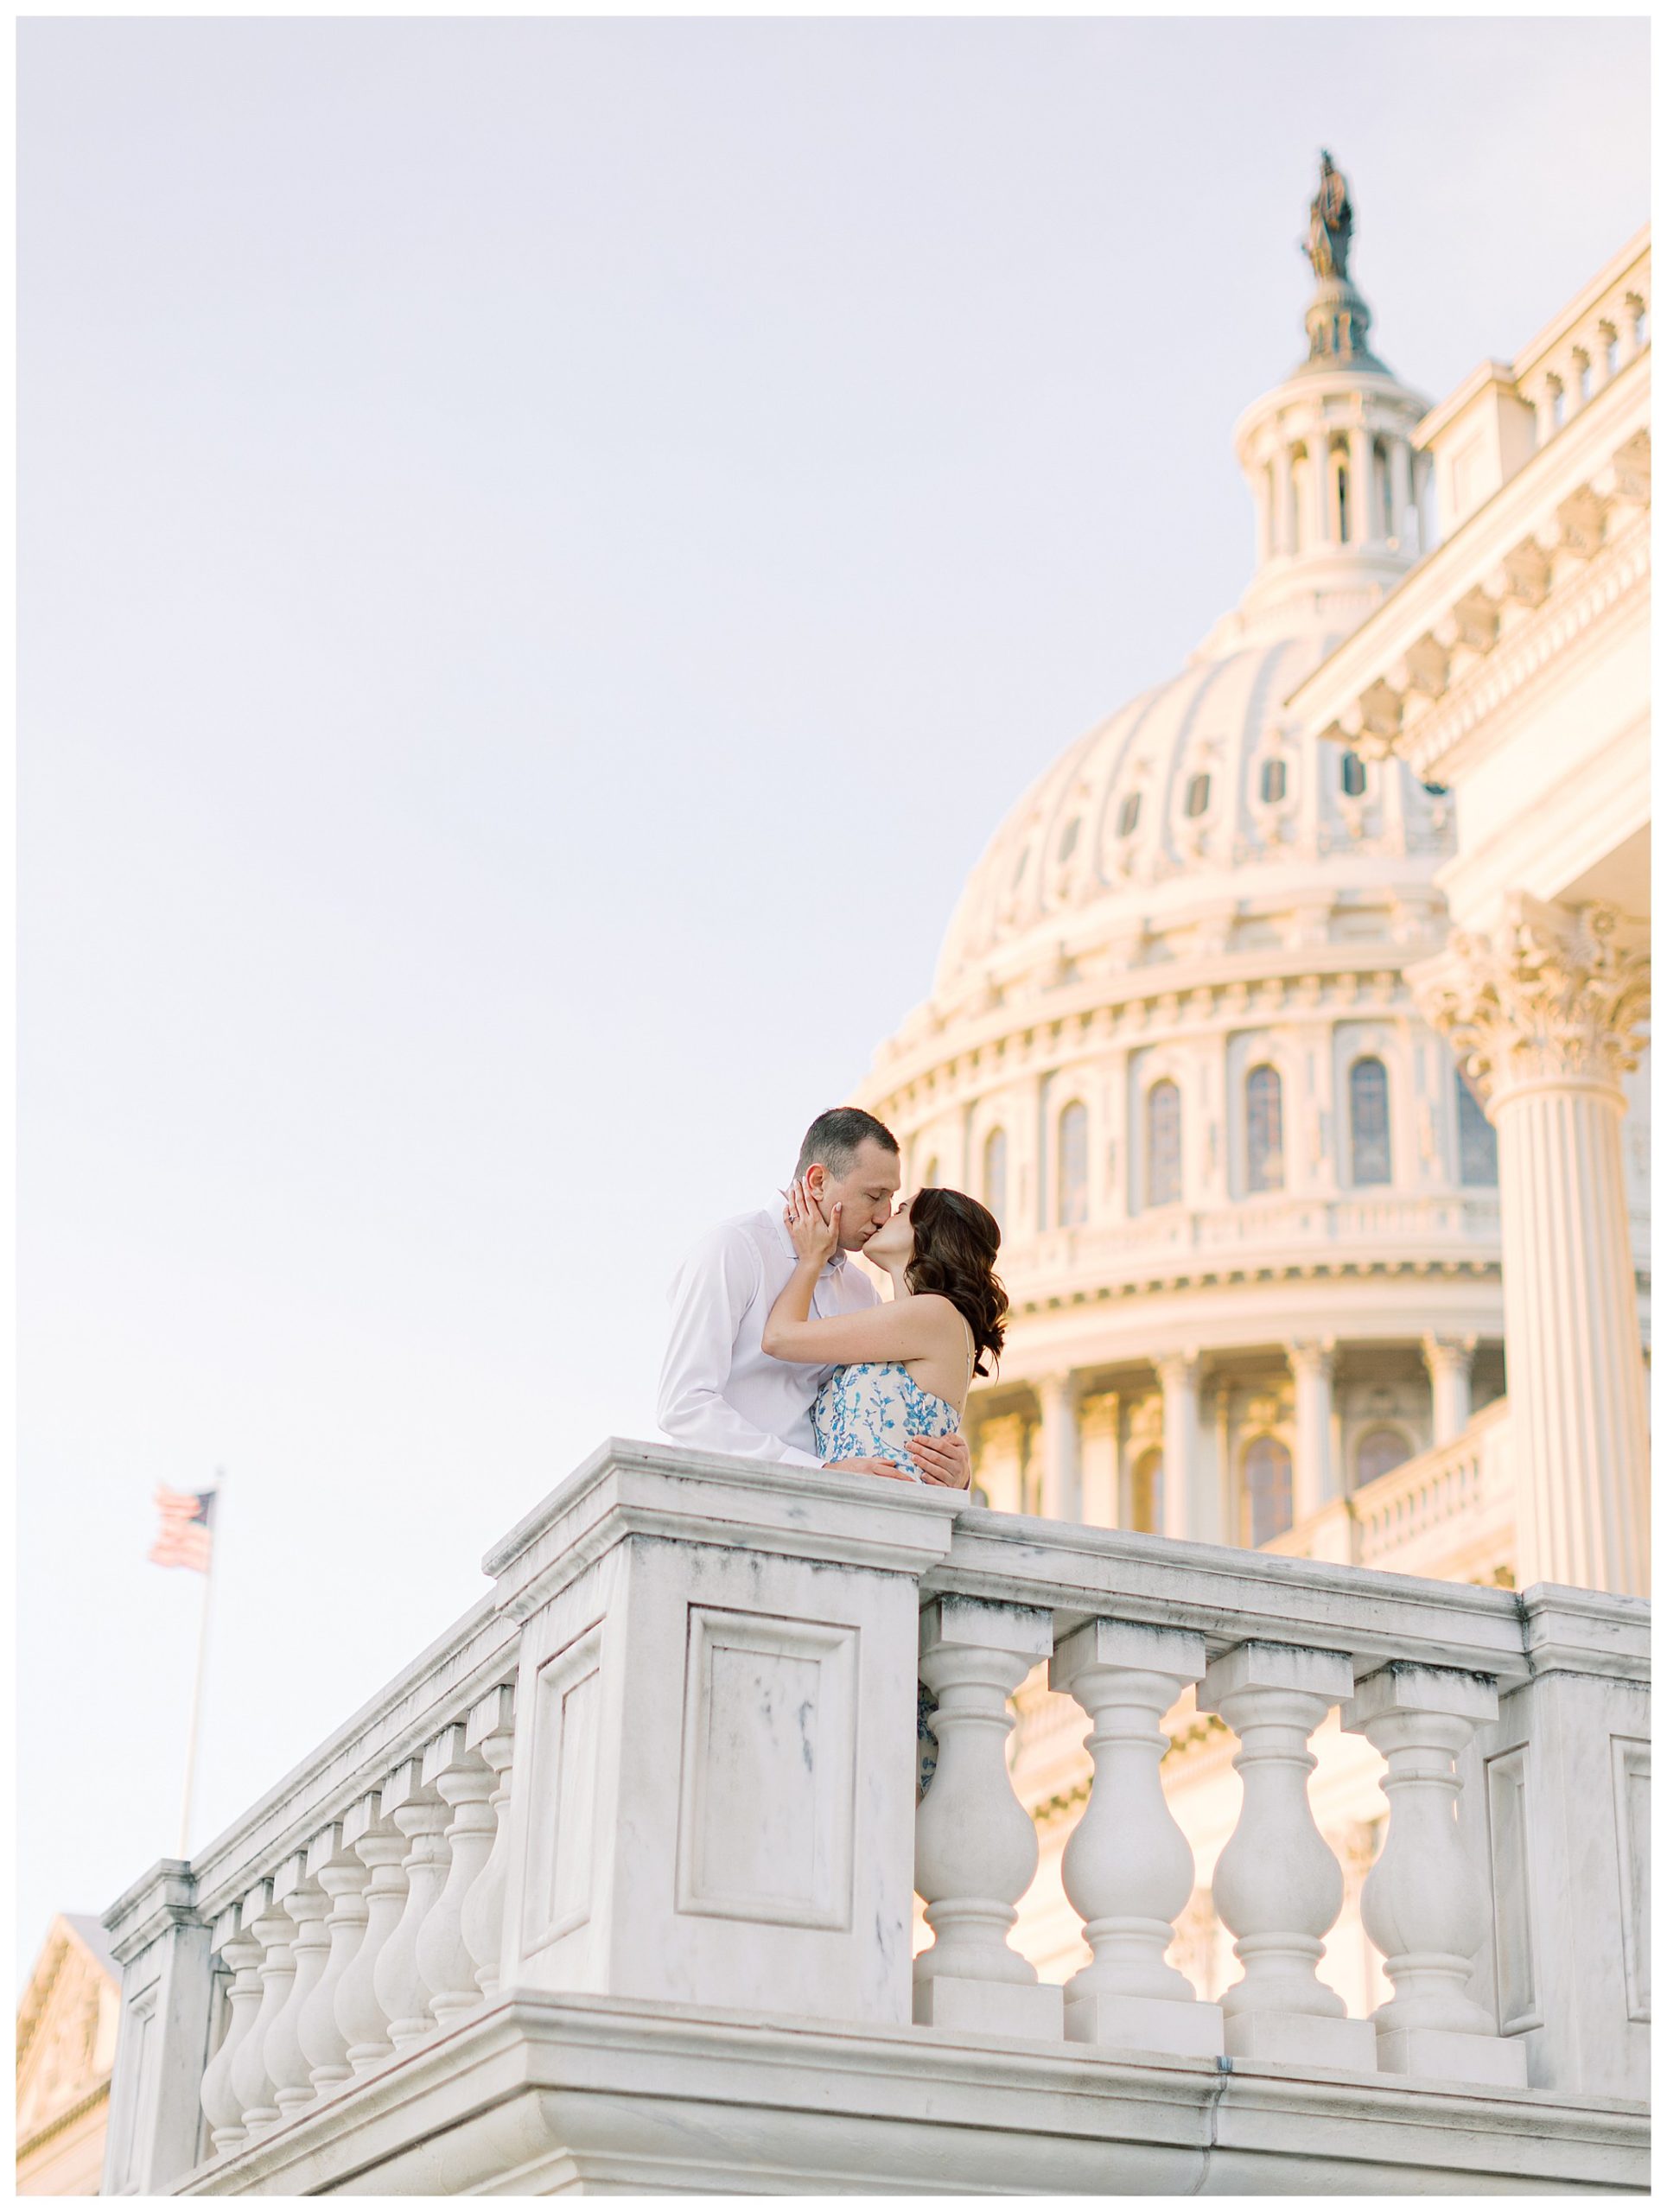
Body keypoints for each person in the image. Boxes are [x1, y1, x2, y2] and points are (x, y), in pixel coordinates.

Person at [657, 1106, 972, 1485]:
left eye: (891, 1199)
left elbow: (887, 1408)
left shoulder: (861, 1291)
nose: (883, 1215)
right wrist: (812, 1471)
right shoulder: (734, 1249)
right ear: (818, 1181)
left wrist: (955, 1466)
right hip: (732, 1498)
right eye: (874, 1196)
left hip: (831, 1513)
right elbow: (683, 1406)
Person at [762, 1179, 1006, 1484]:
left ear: (928, 1231)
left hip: (887, 1515)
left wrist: (812, 1259)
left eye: (901, 1210)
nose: (883, 1217)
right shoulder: (902, 1324)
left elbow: (779, 1338)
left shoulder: (934, 1314)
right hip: (859, 1512)